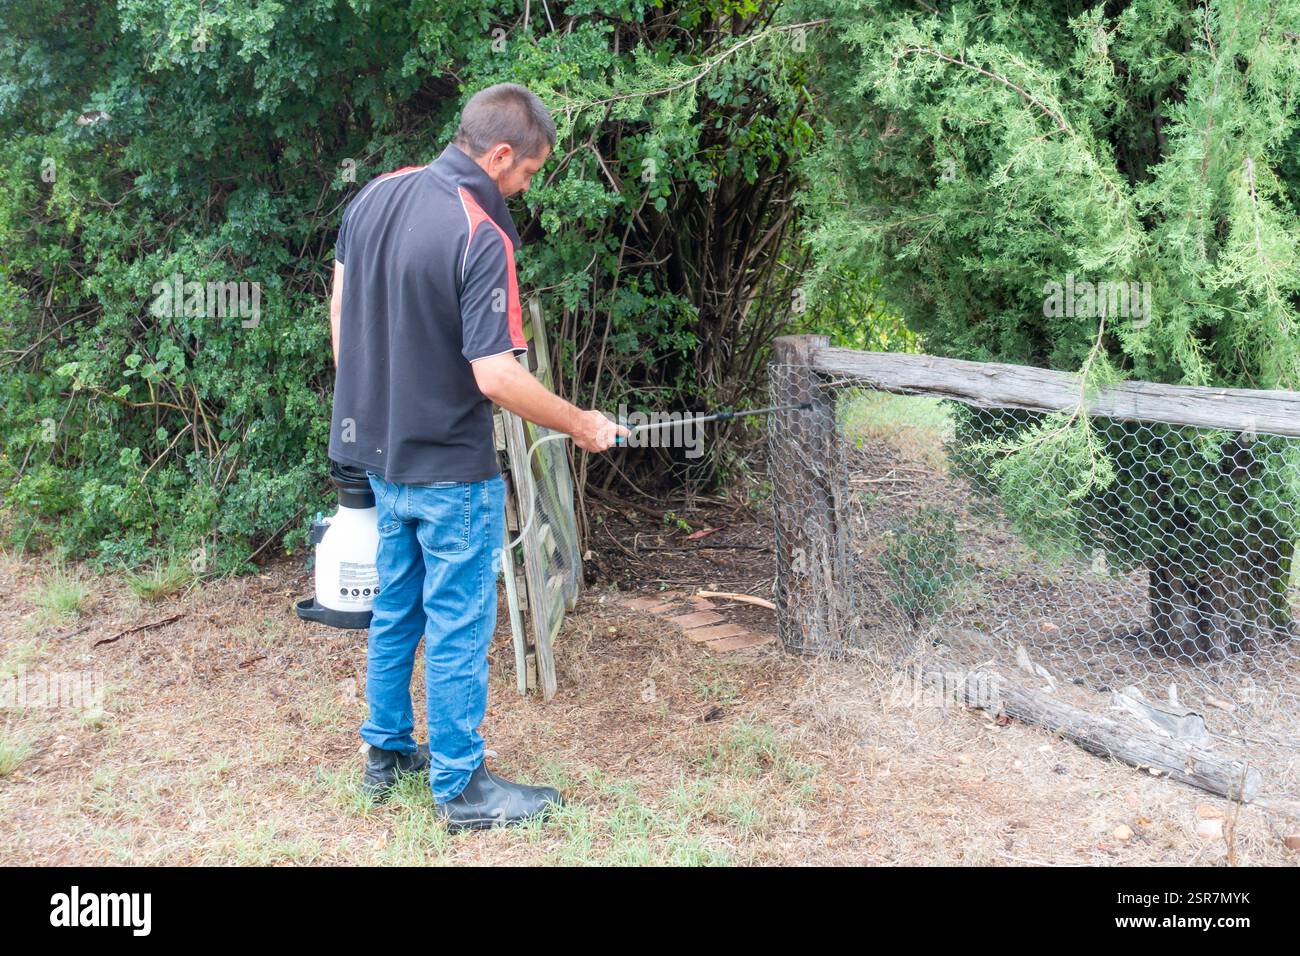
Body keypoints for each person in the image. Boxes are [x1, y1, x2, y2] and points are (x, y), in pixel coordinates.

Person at [327, 83, 627, 831]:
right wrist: (584, 423)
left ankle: (387, 755)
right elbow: (495, 374)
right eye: (527, 173)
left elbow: (340, 305)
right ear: (499, 154)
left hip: (381, 454)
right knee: (458, 624)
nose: (526, 187)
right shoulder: (479, 231)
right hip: (450, 469)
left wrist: (367, 402)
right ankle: (461, 789)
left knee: (397, 610)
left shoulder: (375, 195)